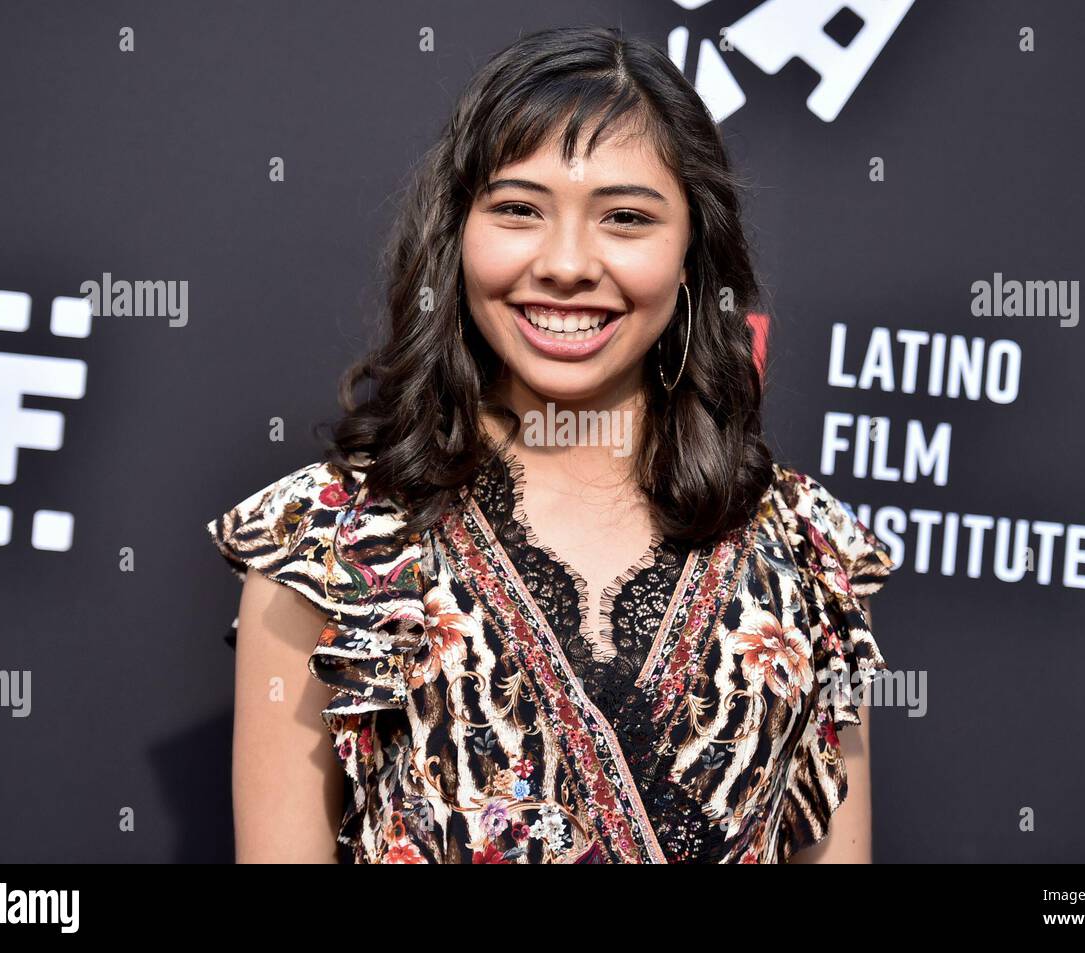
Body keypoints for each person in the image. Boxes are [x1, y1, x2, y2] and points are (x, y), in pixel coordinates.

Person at [207, 25, 893, 864]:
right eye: (519, 210)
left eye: (626, 218)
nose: (567, 263)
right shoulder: (326, 544)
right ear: (456, 235)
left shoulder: (803, 549)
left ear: (691, 255)